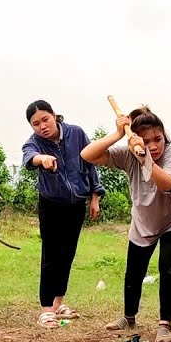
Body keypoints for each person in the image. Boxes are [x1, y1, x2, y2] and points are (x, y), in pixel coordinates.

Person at [80, 107, 171, 342]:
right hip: (143, 221)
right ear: (134, 140)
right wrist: (118, 134)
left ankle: (164, 325)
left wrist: (146, 159)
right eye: (146, 141)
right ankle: (129, 317)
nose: (153, 146)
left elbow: (168, 184)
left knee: (167, 265)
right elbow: (87, 155)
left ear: (164, 137)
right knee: (134, 272)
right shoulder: (128, 155)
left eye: (157, 139)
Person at [22, 100, 105, 329]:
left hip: (76, 203)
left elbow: (90, 164)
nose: (42, 127)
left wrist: (95, 196)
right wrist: (43, 159)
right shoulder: (34, 143)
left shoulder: (76, 134)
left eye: (45, 120)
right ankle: (46, 310)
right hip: (50, 204)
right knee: (51, 255)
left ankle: (59, 304)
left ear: (54, 116)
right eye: (35, 124)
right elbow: (29, 157)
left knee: (67, 254)